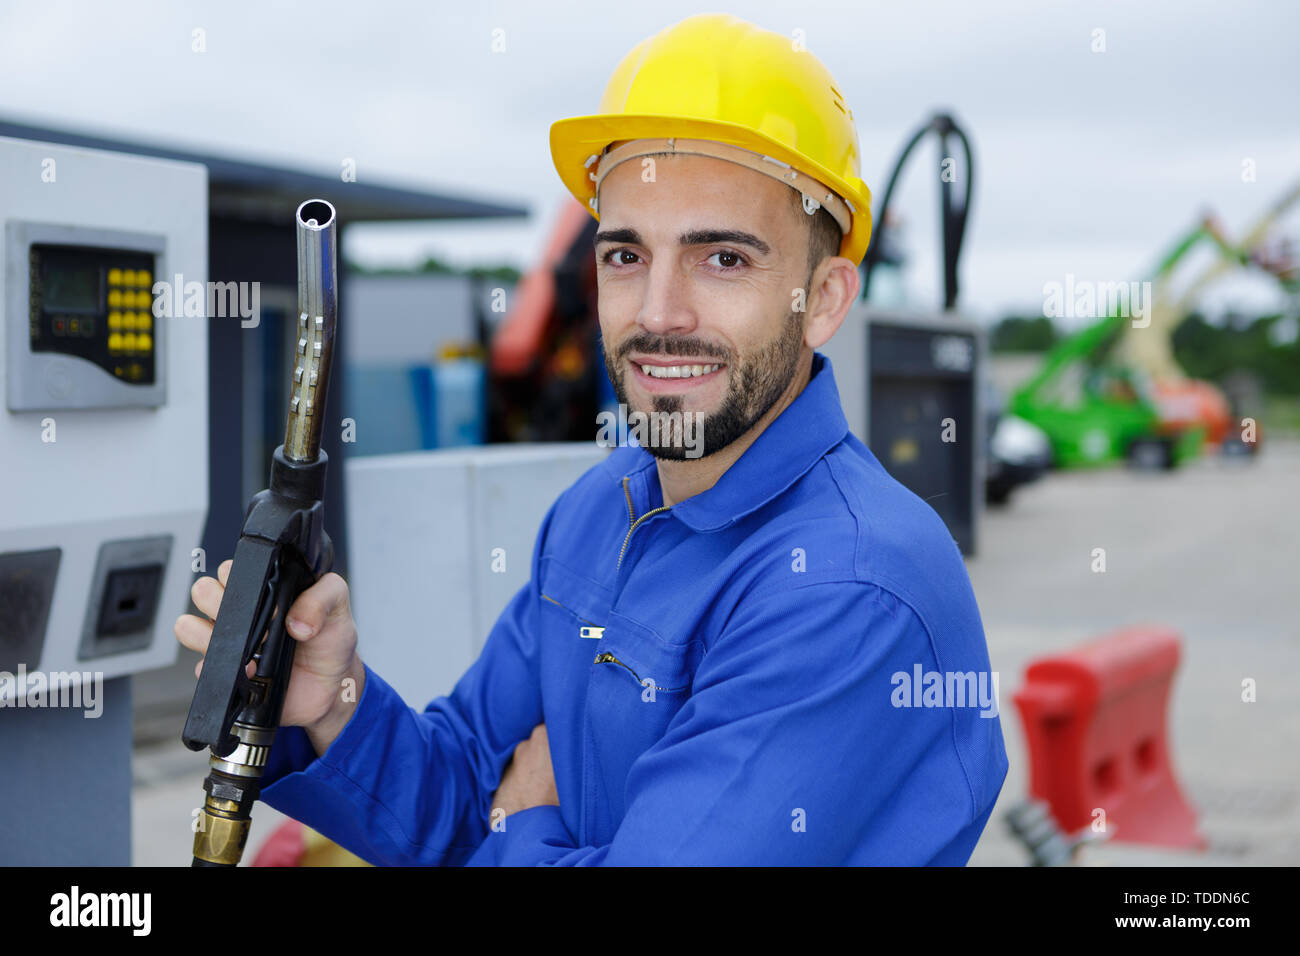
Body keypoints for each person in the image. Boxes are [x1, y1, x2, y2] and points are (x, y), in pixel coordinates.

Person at [176, 12, 1007, 865]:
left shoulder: (853, 589)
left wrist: (527, 821)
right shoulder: (597, 514)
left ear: (825, 299)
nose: (657, 313)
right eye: (625, 256)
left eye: (723, 258)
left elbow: (501, 825)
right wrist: (332, 706)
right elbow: (461, 786)